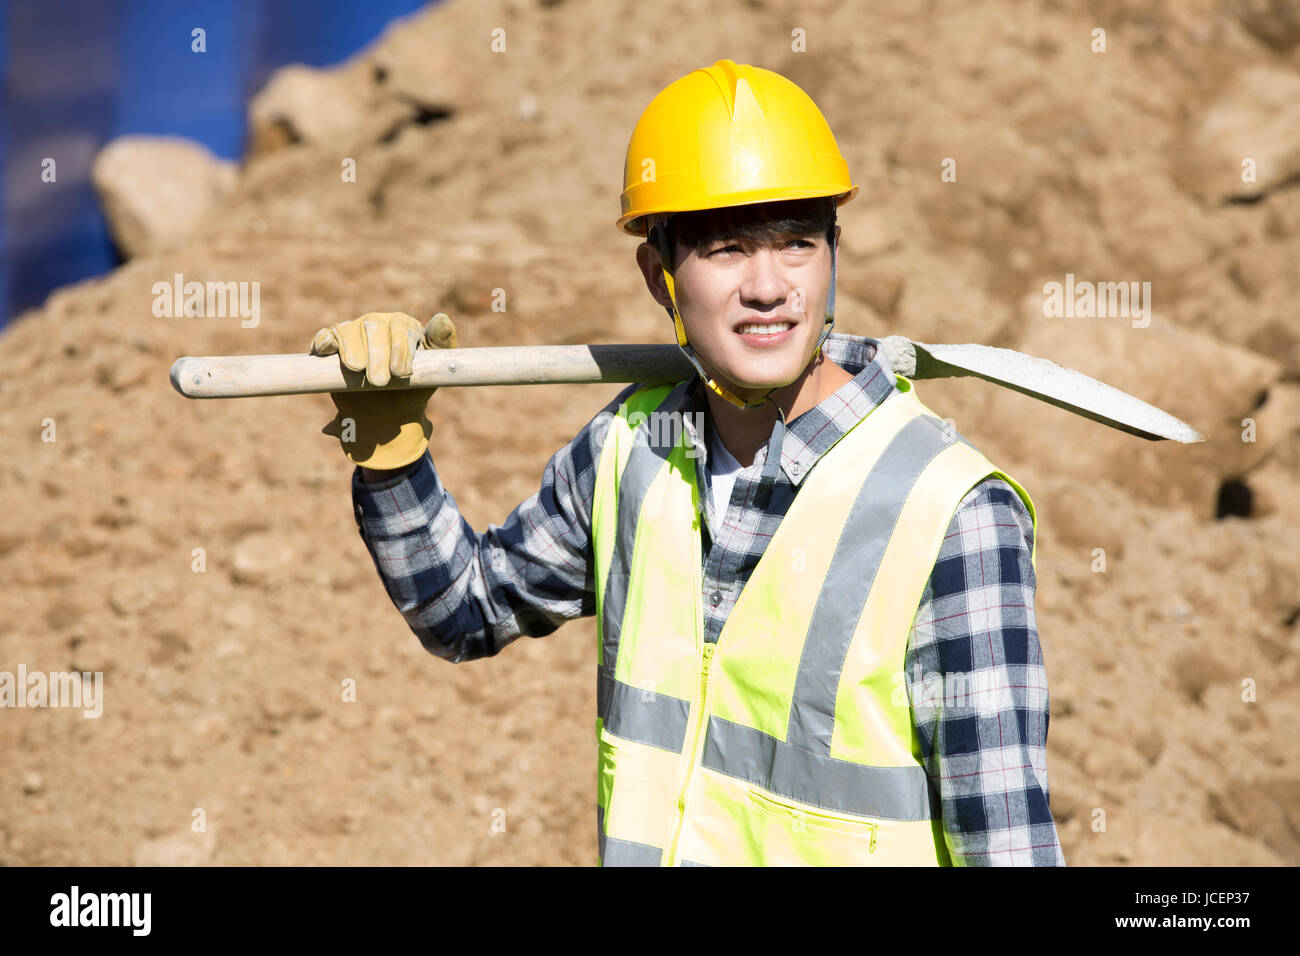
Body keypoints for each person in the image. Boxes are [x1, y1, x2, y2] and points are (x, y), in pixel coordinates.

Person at [308, 59, 1065, 867]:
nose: (768, 287)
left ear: (834, 255)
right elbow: (463, 611)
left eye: (797, 245)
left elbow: (1008, 845)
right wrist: (391, 451)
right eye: (728, 250)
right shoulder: (629, 451)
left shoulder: (948, 511)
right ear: (658, 274)